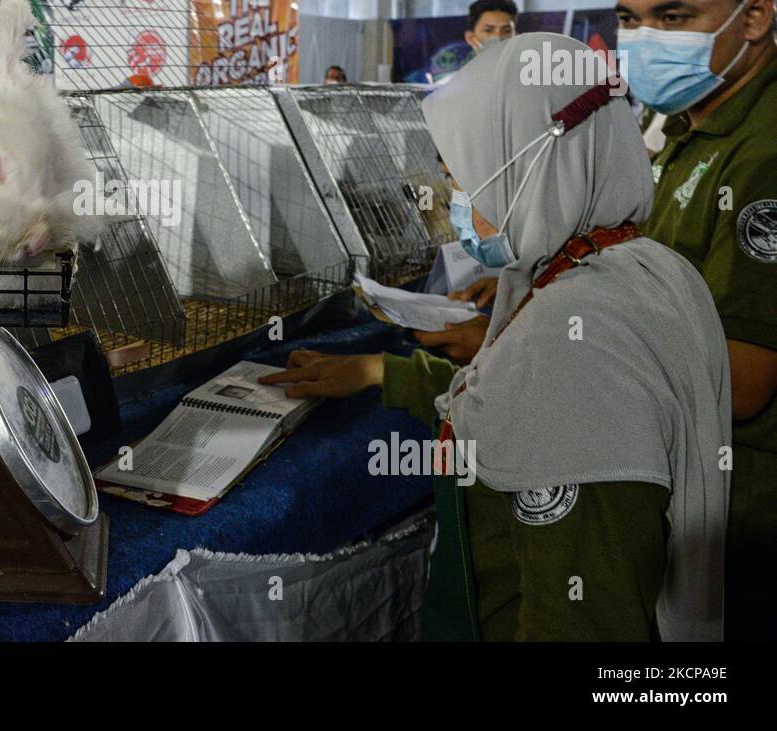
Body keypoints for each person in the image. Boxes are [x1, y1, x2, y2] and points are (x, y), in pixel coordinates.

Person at [263, 33, 731, 641]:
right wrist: (385, 372)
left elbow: (581, 621)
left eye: (465, 179)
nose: (457, 202)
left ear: (537, 168)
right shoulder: (636, 268)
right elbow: (510, 402)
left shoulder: (572, 345)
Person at [615, 0, 777, 640]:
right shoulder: (692, 121)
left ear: (755, 18)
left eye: (673, 17)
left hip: (745, 517)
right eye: (629, 19)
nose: (644, 39)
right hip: (687, 486)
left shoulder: (766, 152)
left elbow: (739, 379)